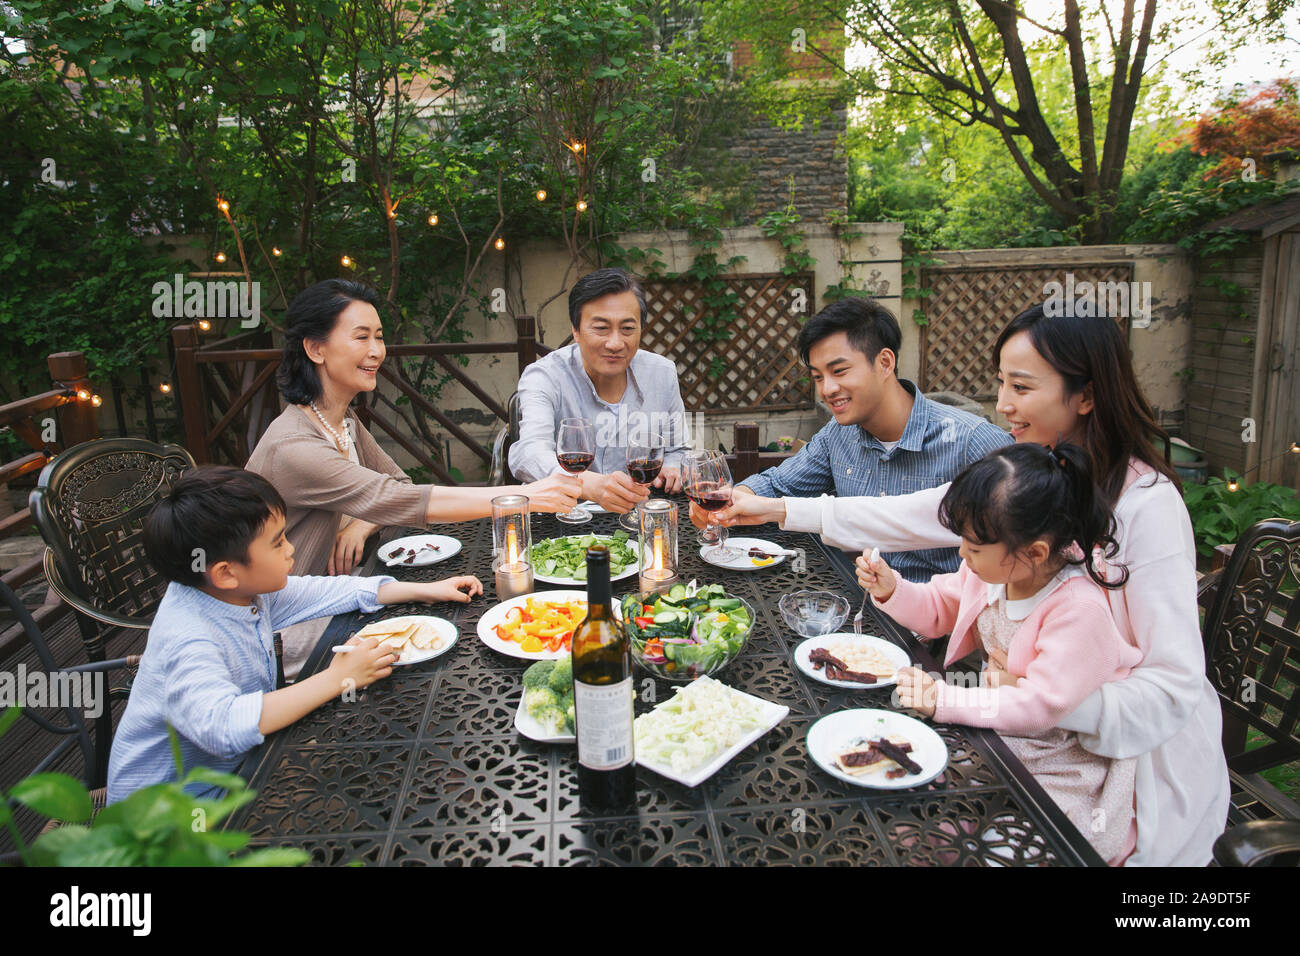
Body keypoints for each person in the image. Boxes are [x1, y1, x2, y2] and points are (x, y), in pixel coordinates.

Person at [725, 305, 1229, 866]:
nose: (1003, 405)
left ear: (1085, 395)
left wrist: (1038, 695)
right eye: (1000, 384)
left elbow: (1174, 687)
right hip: (1014, 733)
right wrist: (773, 509)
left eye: (1021, 386)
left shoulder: (1146, 503)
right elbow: (915, 515)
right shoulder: (1033, 470)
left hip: (1118, 772)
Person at [246, 279, 579, 673]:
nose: (376, 352)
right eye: (361, 337)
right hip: (290, 628)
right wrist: (528, 495)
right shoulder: (295, 447)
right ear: (315, 348)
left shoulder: (341, 421)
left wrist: (363, 522)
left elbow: (395, 489)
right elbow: (401, 500)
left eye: (379, 337)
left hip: (349, 589)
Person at [107, 466, 484, 803]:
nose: (291, 550)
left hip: (241, 772)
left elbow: (326, 592)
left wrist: (426, 589)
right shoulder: (188, 636)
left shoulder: (234, 589)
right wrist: (338, 678)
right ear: (224, 572)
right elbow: (224, 725)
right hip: (170, 822)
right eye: (277, 542)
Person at [858, 443, 1141, 865]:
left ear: (1035, 552)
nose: (962, 556)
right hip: (998, 735)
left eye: (973, 548)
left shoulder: (1077, 609)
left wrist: (942, 698)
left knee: (1008, 851)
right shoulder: (995, 573)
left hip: (1058, 761)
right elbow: (940, 606)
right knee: (909, 802)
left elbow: (1038, 705)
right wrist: (893, 589)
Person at [691, 296, 1010, 581]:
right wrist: (735, 498)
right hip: (858, 605)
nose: (827, 389)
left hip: (940, 630)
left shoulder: (973, 442)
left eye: (839, 371)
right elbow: (779, 485)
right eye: (818, 377)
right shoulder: (838, 434)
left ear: (885, 362)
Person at [508, 267, 690, 513]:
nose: (615, 343)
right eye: (601, 328)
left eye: (627, 328)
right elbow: (529, 452)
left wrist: (671, 465)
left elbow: (679, 448)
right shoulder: (545, 376)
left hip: (637, 514)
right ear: (576, 330)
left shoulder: (661, 372)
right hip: (562, 516)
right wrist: (583, 483)